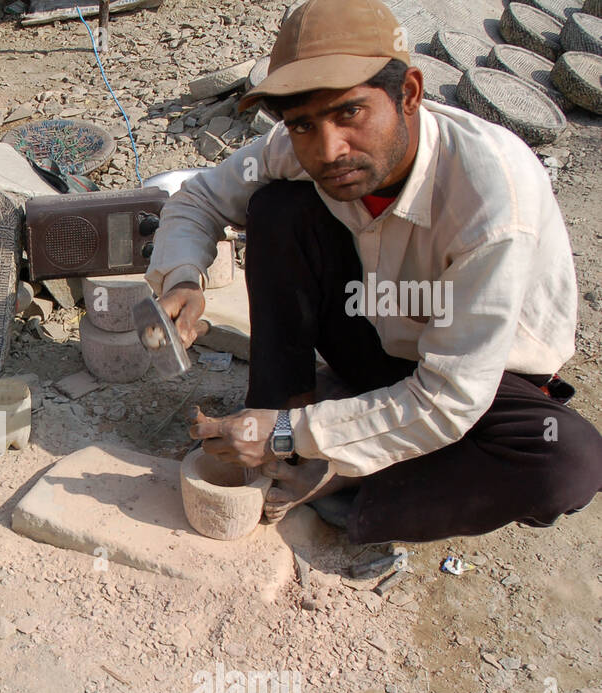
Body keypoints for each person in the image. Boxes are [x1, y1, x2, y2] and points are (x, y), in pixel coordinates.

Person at [143, 0, 602, 544]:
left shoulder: (492, 197)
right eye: (303, 125)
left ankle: (334, 475)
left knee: (566, 462)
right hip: (376, 330)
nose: (329, 148)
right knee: (278, 209)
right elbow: (198, 198)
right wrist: (183, 279)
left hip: (481, 375)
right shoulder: (299, 147)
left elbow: (449, 398)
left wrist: (297, 436)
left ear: (409, 94)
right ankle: (280, 418)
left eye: (350, 113)